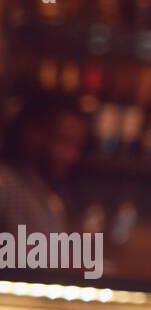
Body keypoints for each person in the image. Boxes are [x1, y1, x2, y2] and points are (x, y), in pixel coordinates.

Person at [0, 101, 88, 236]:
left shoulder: (45, 193)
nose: (72, 156)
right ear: (33, 134)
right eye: (64, 141)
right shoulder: (5, 184)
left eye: (76, 146)